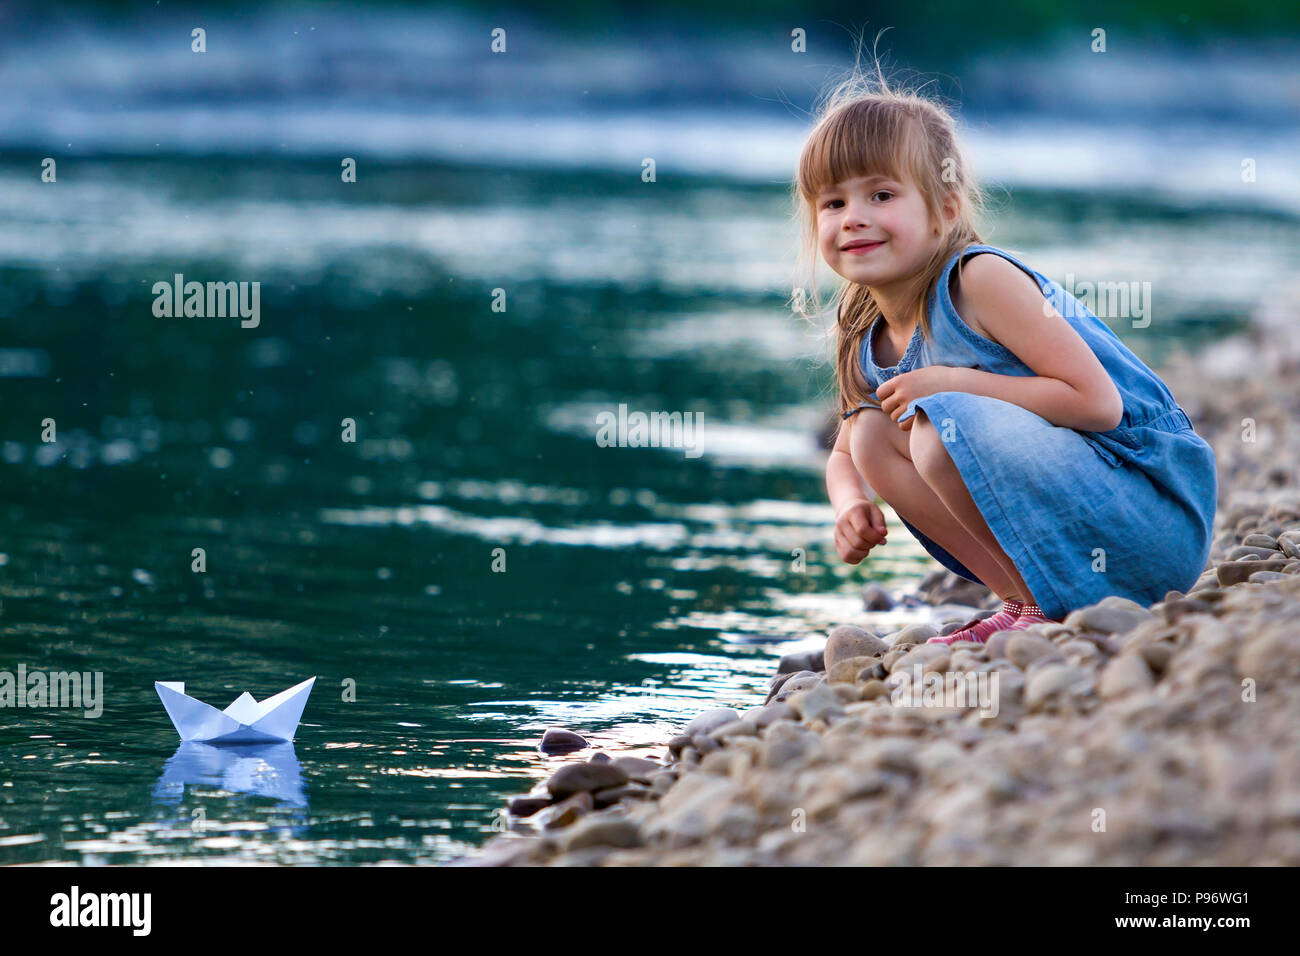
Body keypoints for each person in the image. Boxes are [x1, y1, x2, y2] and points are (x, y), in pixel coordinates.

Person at [792, 55, 1217, 644]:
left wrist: (949, 384)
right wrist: (848, 508)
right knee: (870, 431)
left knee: (942, 427)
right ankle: (1026, 602)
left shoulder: (979, 280)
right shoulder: (864, 325)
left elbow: (1098, 405)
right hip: (1068, 527)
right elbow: (847, 452)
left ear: (944, 209)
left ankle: (1042, 602)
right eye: (833, 204)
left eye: (882, 195)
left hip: (1149, 515)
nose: (855, 218)